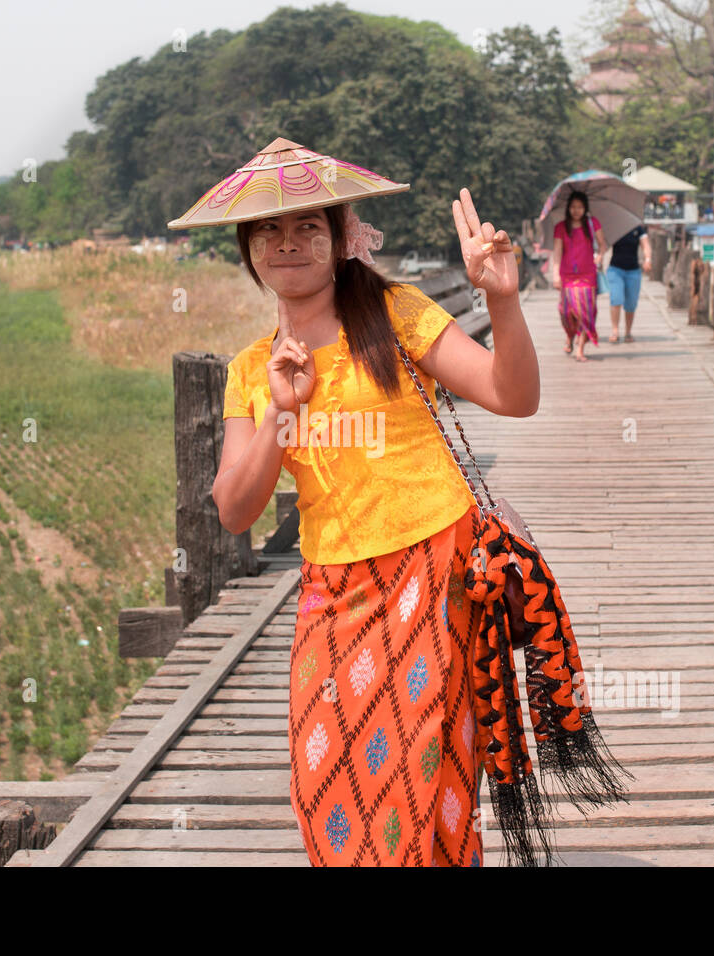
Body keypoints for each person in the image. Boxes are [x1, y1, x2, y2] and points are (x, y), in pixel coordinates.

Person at [185, 138, 541, 866]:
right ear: (247, 251)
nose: (288, 243)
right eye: (269, 230)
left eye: (308, 227)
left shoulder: (395, 315)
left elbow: (515, 395)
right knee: (325, 788)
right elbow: (234, 509)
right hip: (333, 595)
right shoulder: (254, 370)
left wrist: (501, 300)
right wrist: (284, 412)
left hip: (434, 573)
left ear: (342, 238)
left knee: (428, 783)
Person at [551, 190, 607, 362]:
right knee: (566, 312)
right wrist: (555, 275)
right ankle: (570, 335)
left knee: (585, 312)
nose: (577, 210)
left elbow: (603, 244)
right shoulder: (560, 227)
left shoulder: (592, 223)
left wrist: (600, 255)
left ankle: (580, 348)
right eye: (574, 207)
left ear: (585, 208)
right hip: (567, 275)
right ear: (568, 208)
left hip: (587, 275)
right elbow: (558, 252)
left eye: (580, 207)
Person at [605, 223, 651, 343]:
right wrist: (598, 256)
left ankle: (628, 332)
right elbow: (603, 244)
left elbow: (645, 245)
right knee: (616, 298)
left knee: (631, 303)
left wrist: (647, 259)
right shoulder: (614, 228)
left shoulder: (638, 229)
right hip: (615, 269)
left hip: (633, 271)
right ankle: (615, 331)